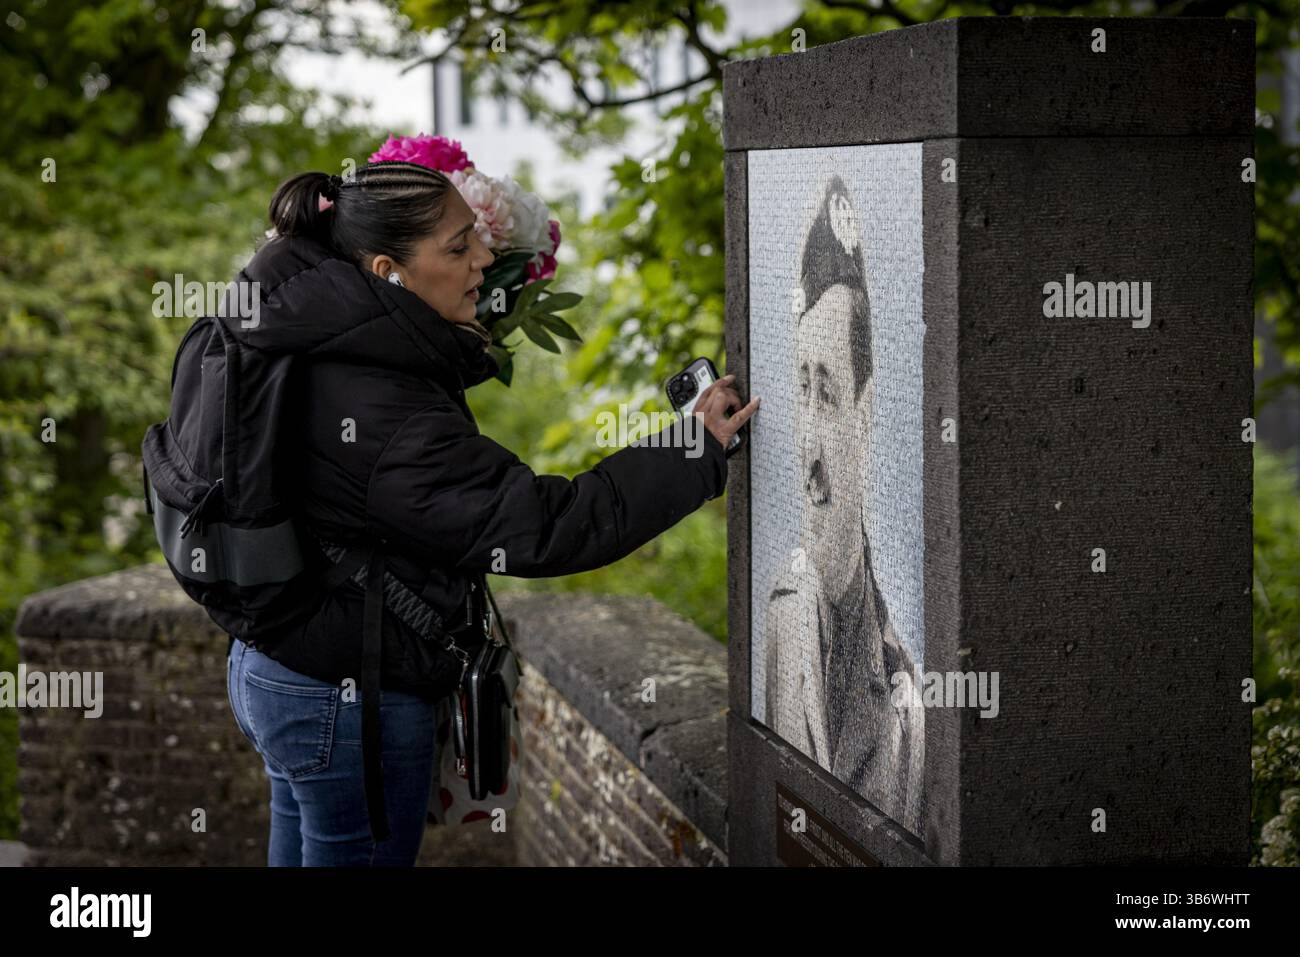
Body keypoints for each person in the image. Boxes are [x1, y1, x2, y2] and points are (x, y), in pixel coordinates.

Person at [223, 160, 759, 866]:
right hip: (346, 697)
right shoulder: (385, 411)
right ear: (386, 269)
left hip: (276, 663)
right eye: (457, 248)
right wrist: (694, 450)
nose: (484, 259)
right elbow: (543, 525)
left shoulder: (310, 335)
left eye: (477, 237)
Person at [761, 174, 924, 837]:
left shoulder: (910, 702)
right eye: (799, 388)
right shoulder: (782, 617)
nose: (809, 450)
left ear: (866, 413)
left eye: (826, 393)